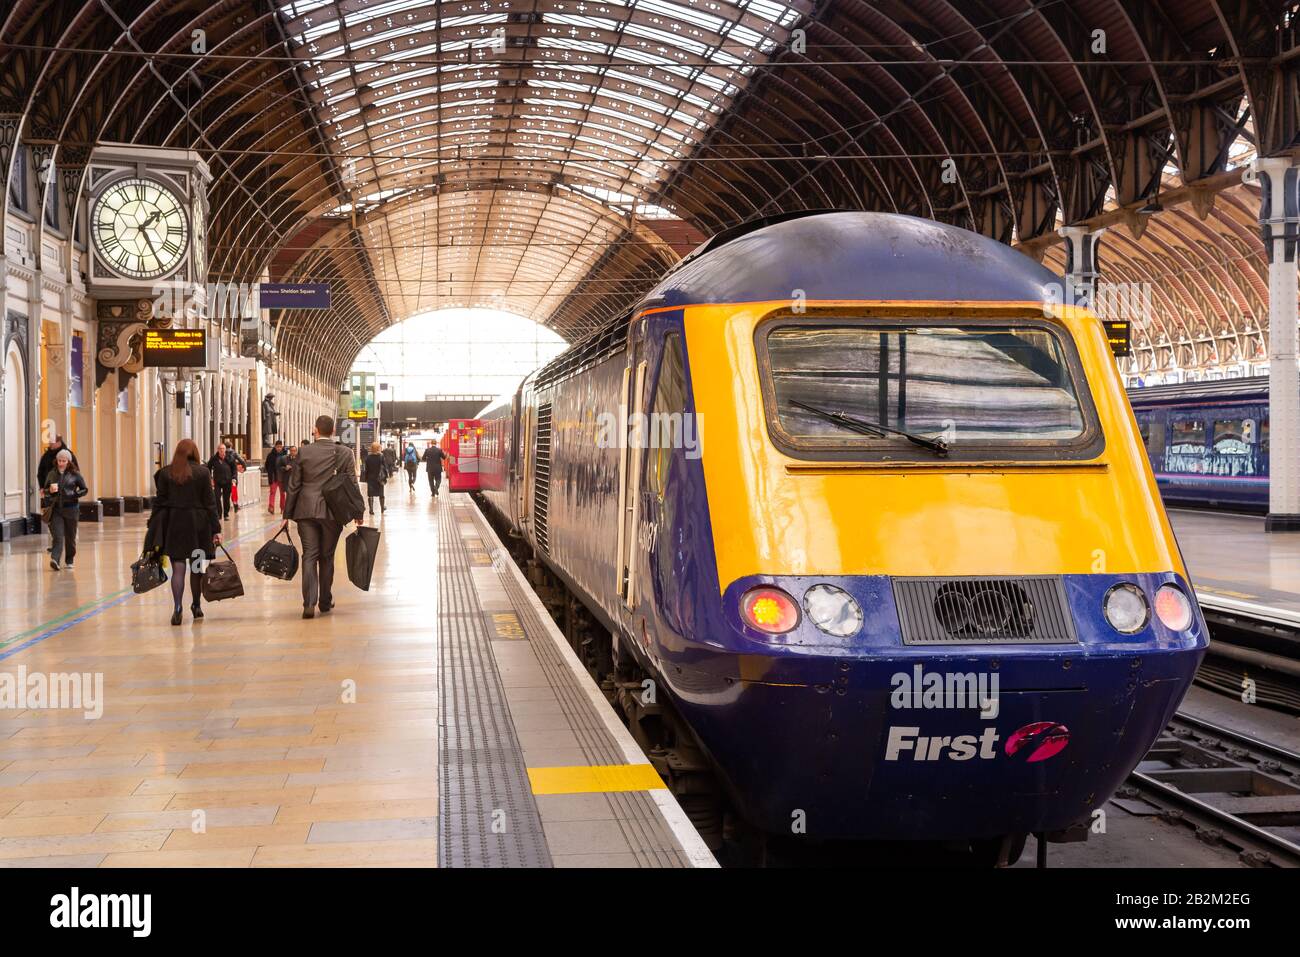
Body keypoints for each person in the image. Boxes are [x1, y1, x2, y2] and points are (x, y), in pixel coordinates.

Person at [282, 415, 363, 619]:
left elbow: (294, 485)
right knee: (326, 556)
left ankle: (308, 603)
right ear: (333, 430)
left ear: (315, 430)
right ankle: (325, 601)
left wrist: (287, 514)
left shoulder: (303, 452)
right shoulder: (344, 453)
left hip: (305, 510)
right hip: (331, 512)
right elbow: (352, 484)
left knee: (309, 555)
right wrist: (358, 512)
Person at [147, 439, 221, 626]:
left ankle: (178, 607)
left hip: (175, 525)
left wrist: (152, 524)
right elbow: (210, 503)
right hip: (199, 526)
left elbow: (159, 502)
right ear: (194, 452)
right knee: (197, 569)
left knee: (178, 569)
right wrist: (216, 529)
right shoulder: (203, 473)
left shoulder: (165, 473)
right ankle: (196, 606)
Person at [43, 449, 88, 570]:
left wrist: (74, 494)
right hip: (56, 509)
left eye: (64, 461)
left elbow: (84, 489)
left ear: (68, 461)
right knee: (57, 536)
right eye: (59, 460)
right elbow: (45, 490)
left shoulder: (75, 474)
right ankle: (55, 559)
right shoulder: (52, 474)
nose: (61, 463)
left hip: (72, 509)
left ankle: (69, 559)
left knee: (70, 537)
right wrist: (49, 491)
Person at [206, 442, 245, 520]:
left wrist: (234, 478)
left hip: (228, 481)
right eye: (220, 449)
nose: (222, 450)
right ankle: (219, 514)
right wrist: (210, 478)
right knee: (216, 497)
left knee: (226, 498)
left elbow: (234, 469)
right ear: (218, 450)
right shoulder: (214, 458)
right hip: (217, 481)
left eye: (223, 449)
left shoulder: (230, 458)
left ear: (225, 450)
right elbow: (208, 467)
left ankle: (226, 514)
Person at [363, 441, 388, 515]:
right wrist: (385, 477)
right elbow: (385, 468)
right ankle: (382, 508)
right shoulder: (381, 456)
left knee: (370, 494)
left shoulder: (368, 457)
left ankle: (371, 510)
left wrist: (366, 478)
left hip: (370, 478)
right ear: (378, 448)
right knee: (381, 494)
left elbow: (366, 469)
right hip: (379, 479)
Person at [264, 440, 286, 514]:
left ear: (282, 447)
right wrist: (270, 472)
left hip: (282, 477)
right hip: (274, 477)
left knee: (282, 493)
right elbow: (267, 465)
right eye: (278, 447)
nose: (279, 448)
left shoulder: (285, 455)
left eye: (280, 447)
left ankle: (283, 508)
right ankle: (271, 507)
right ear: (275, 447)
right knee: (272, 492)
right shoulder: (270, 455)